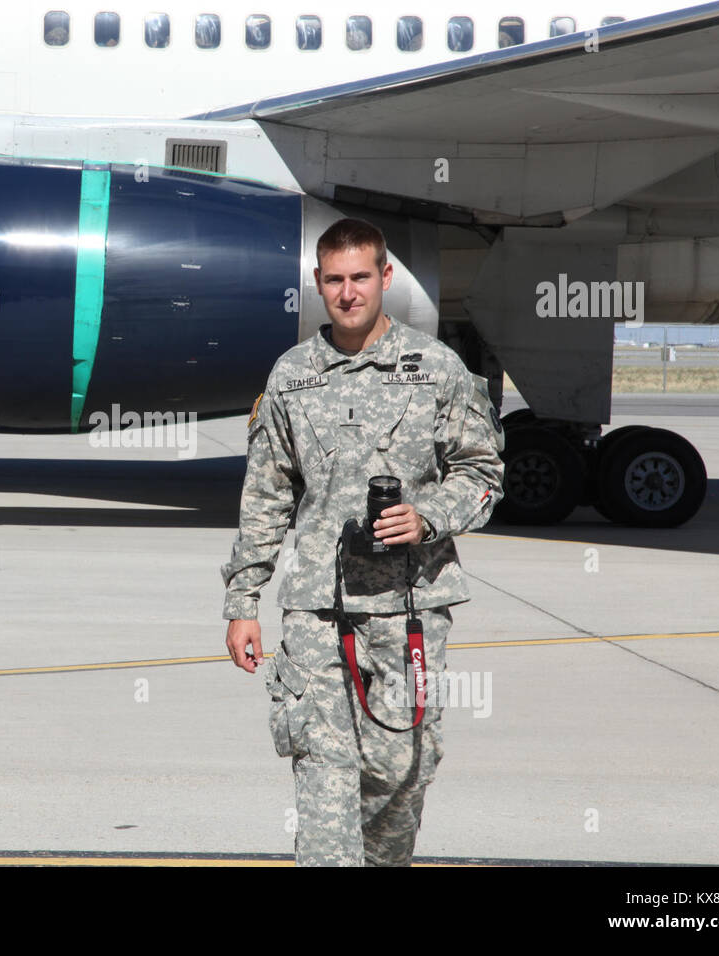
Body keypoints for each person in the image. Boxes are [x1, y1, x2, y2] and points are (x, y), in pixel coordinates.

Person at [221, 218, 505, 867]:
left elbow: (483, 474)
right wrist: (244, 601)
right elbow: (265, 497)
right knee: (323, 768)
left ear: (385, 278)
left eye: (359, 277)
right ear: (318, 284)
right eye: (334, 280)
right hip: (319, 606)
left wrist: (426, 514)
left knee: (402, 770)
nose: (348, 292)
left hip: (409, 605)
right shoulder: (292, 376)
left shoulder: (436, 369)